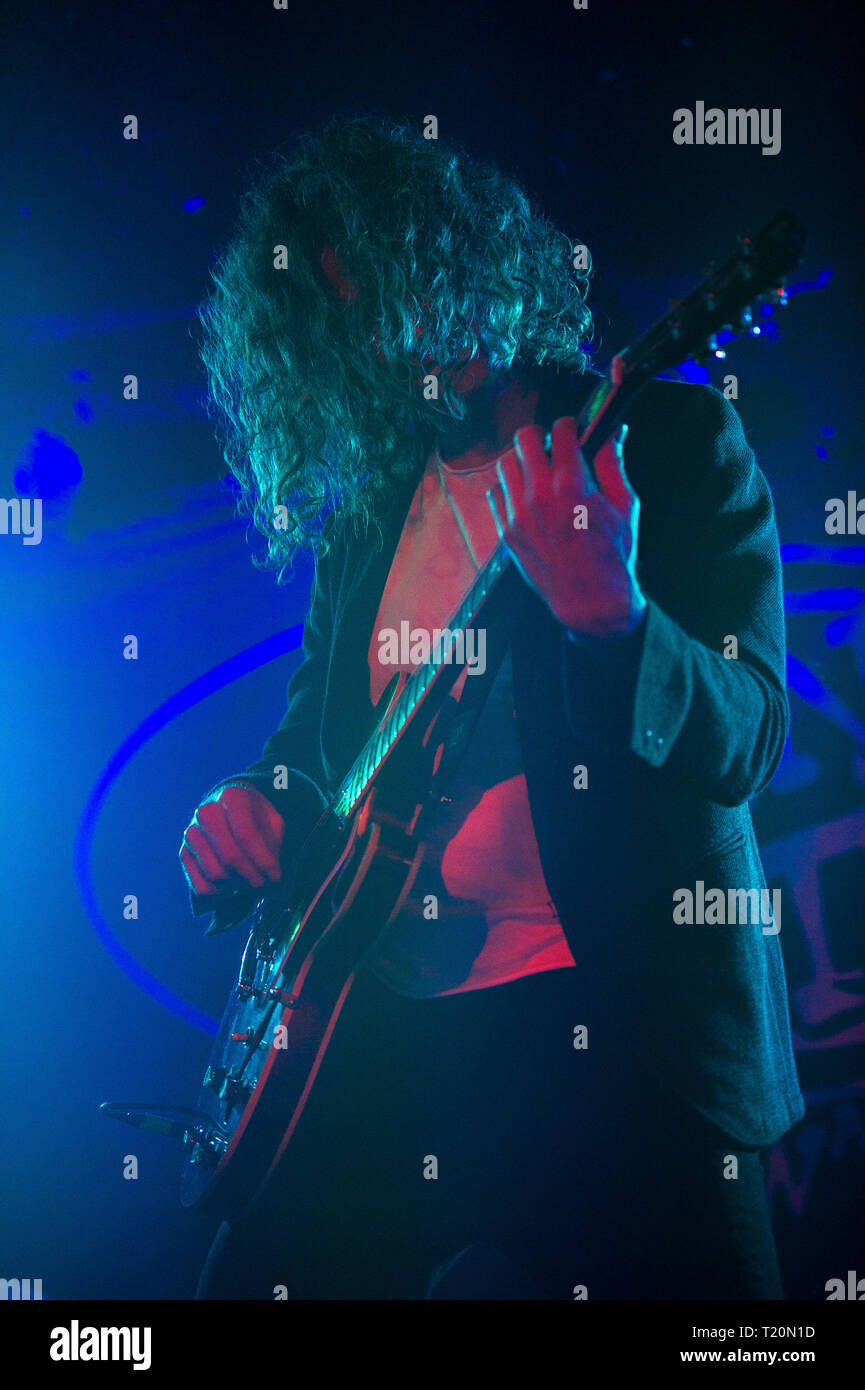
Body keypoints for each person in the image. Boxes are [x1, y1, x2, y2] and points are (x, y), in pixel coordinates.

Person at [181, 116, 804, 1299]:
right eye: (361, 320)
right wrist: (251, 807)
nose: (406, 337)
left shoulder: (671, 443)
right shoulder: (373, 508)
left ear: (473, 260)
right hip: (391, 1019)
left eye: (414, 289)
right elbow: (311, 739)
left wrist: (614, 619)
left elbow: (754, 734)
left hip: (619, 1026)